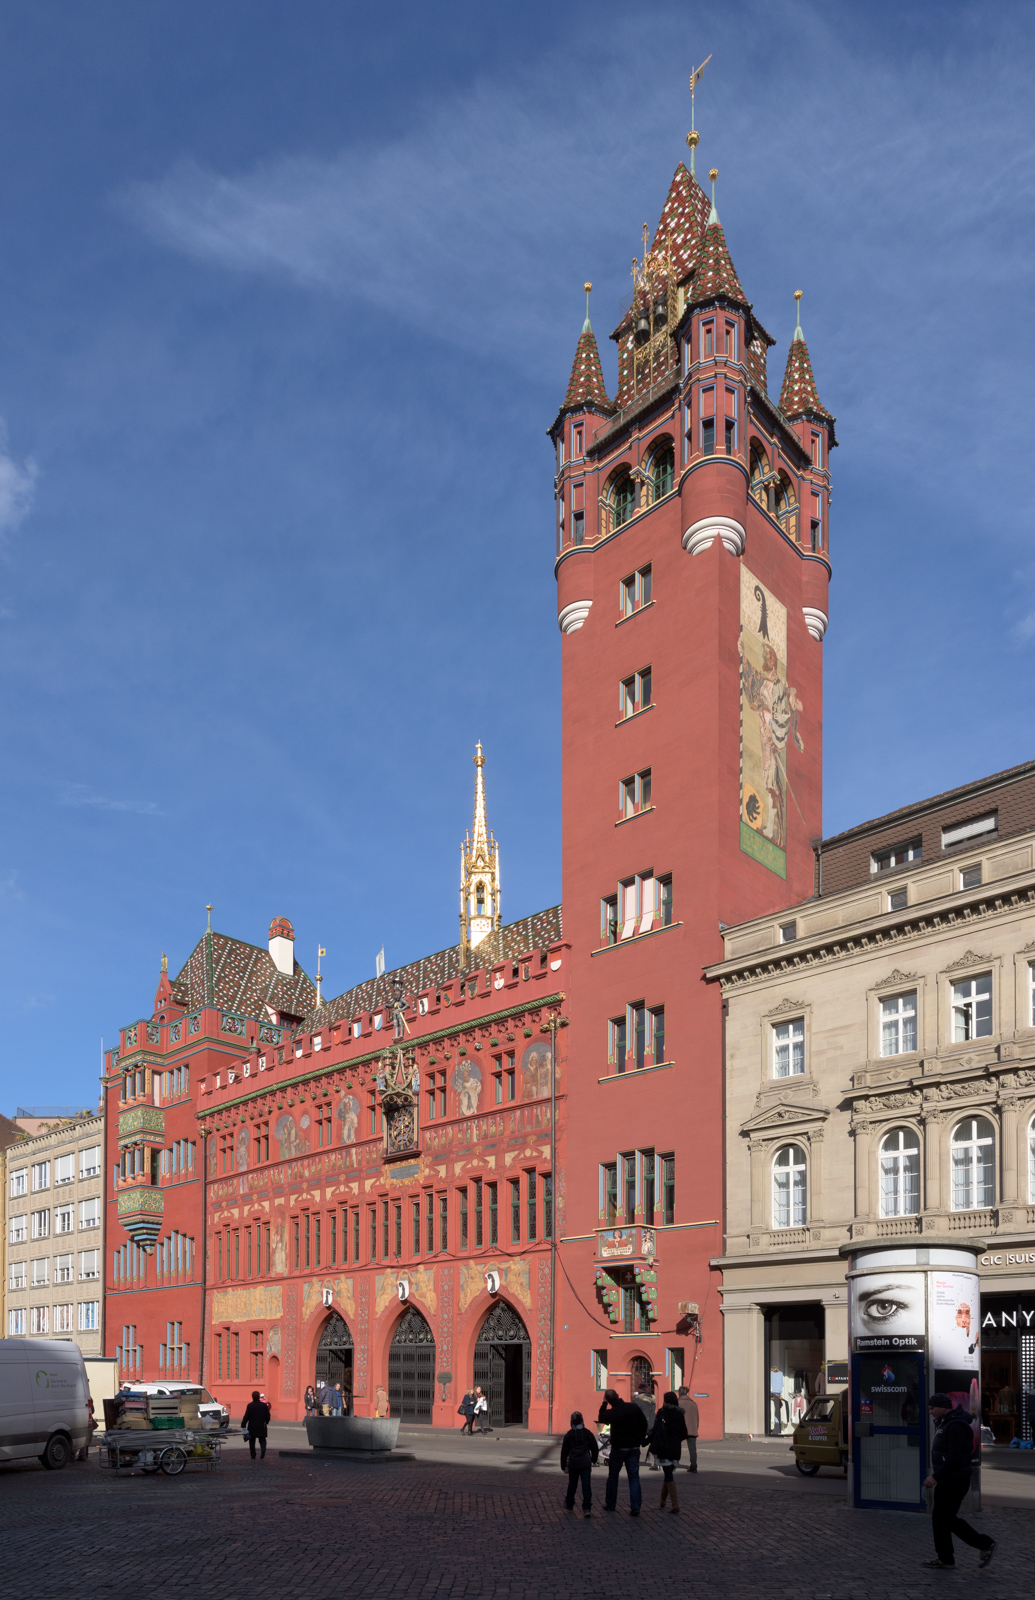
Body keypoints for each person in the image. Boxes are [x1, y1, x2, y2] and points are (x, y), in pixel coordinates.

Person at [923, 1393, 996, 1569]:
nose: (930, 1412)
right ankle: (945, 1557)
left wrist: (936, 1476)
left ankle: (985, 1544)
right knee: (939, 1518)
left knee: (947, 1518)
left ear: (943, 1408)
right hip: (948, 1477)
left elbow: (955, 1456)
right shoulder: (946, 1423)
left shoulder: (955, 1426)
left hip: (955, 1479)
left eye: (932, 1408)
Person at [598, 1388, 648, 1515]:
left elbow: (601, 1418)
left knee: (613, 1477)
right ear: (618, 1395)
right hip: (633, 1447)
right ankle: (635, 1506)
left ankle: (610, 1504)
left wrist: (604, 1403)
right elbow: (644, 1423)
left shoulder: (613, 1412)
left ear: (609, 1400)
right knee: (634, 1478)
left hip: (619, 1448)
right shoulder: (633, 1407)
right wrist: (640, 1438)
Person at [650, 1392, 689, 1512]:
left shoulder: (662, 1412)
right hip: (675, 1447)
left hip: (664, 1446)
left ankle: (675, 1504)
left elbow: (655, 1430)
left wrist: (647, 1441)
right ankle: (662, 1501)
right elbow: (684, 1433)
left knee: (668, 1474)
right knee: (668, 1473)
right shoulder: (680, 1414)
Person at [560, 1410, 599, 1517]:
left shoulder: (569, 1434)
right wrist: (594, 1459)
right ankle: (586, 1508)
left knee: (572, 1484)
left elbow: (564, 1452)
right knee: (586, 1486)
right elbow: (594, 1448)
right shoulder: (588, 1433)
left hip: (573, 1463)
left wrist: (563, 1465)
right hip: (585, 1463)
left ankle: (569, 1504)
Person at [240, 1391, 271, 1461]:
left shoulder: (250, 1405)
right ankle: (263, 1449)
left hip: (252, 1426)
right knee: (262, 1439)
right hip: (262, 1425)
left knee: (252, 1441)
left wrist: (243, 1425)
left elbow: (246, 1416)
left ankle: (253, 1455)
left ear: (252, 1397)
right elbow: (268, 1415)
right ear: (259, 1397)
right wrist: (266, 1422)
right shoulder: (264, 1405)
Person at [677, 1386, 699, 1472]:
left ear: (679, 1393)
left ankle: (675, 1464)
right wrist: (695, 1428)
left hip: (680, 1429)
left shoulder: (678, 1403)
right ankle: (694, 1466)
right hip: (692, 1429)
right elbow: (697, 1418)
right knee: (692, 1449)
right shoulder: (694, 1404)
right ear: (687, 1393)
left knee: (677, 1447)